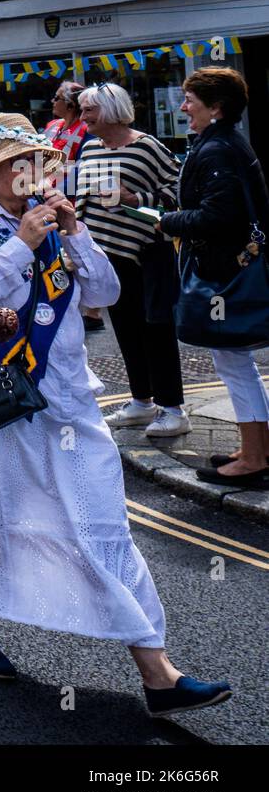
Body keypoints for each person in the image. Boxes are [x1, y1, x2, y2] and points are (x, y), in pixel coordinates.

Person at [0, 113, 231, 717]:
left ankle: (157, 670)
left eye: (37, 162)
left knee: (101, 522)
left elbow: (103, 295)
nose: (33, 173)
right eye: (19, 163)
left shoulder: (56, 218)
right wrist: (22, 244)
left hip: (67, 395)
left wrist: (75, 237)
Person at [161, 67, 269, 487]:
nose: (183, 107)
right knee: (238, 363)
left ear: (217, 108)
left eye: (191, 100)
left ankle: (255, 459)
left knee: (233, 362)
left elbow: (219, 217)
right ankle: (256, 448)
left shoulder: (218, 149)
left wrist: (167, 220)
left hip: (224, 272)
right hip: (229, 267)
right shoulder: (220, 144)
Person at [75, 83, 189, 438]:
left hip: (148, 251)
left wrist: (135, 196)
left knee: (156, 329)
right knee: (125, 329)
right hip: (106, 252)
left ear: (109, 110)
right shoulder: (90, 147)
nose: (82, 118)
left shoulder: (147, 147)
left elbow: (178, 191)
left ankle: (173, 409)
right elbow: (83, 197)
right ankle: (142, 402)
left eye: (88, 111)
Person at [45, 81, 105, 331]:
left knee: (79, 248)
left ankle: (92, 310)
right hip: (49, 194)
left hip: (73, 198)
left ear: (69, 103)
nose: (52, 102)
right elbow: (41, 158)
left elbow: (87, 166)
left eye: (57, 97)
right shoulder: (52, 127)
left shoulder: (86, 131)